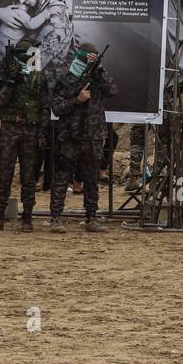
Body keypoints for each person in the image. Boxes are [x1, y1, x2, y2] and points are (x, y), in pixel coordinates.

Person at [49, 43, 117, 233]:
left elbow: (112, 90)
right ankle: (56, 218)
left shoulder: (98, 78)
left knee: (91, 179)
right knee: (62, 178)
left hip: (93, 136)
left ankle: (92, 217)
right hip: (69, 136)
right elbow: (56, 108)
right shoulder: (66, 79)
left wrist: (100, 69)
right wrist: (77, 100)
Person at [0, 37, 52, 232]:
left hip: (31, 130)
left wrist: (42, 132)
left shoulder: (39, 76)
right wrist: (11, 81)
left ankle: (27, 218)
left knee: (28, 177)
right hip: (10, 129)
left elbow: (45, 107)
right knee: (4, 174)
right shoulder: (6, 74)